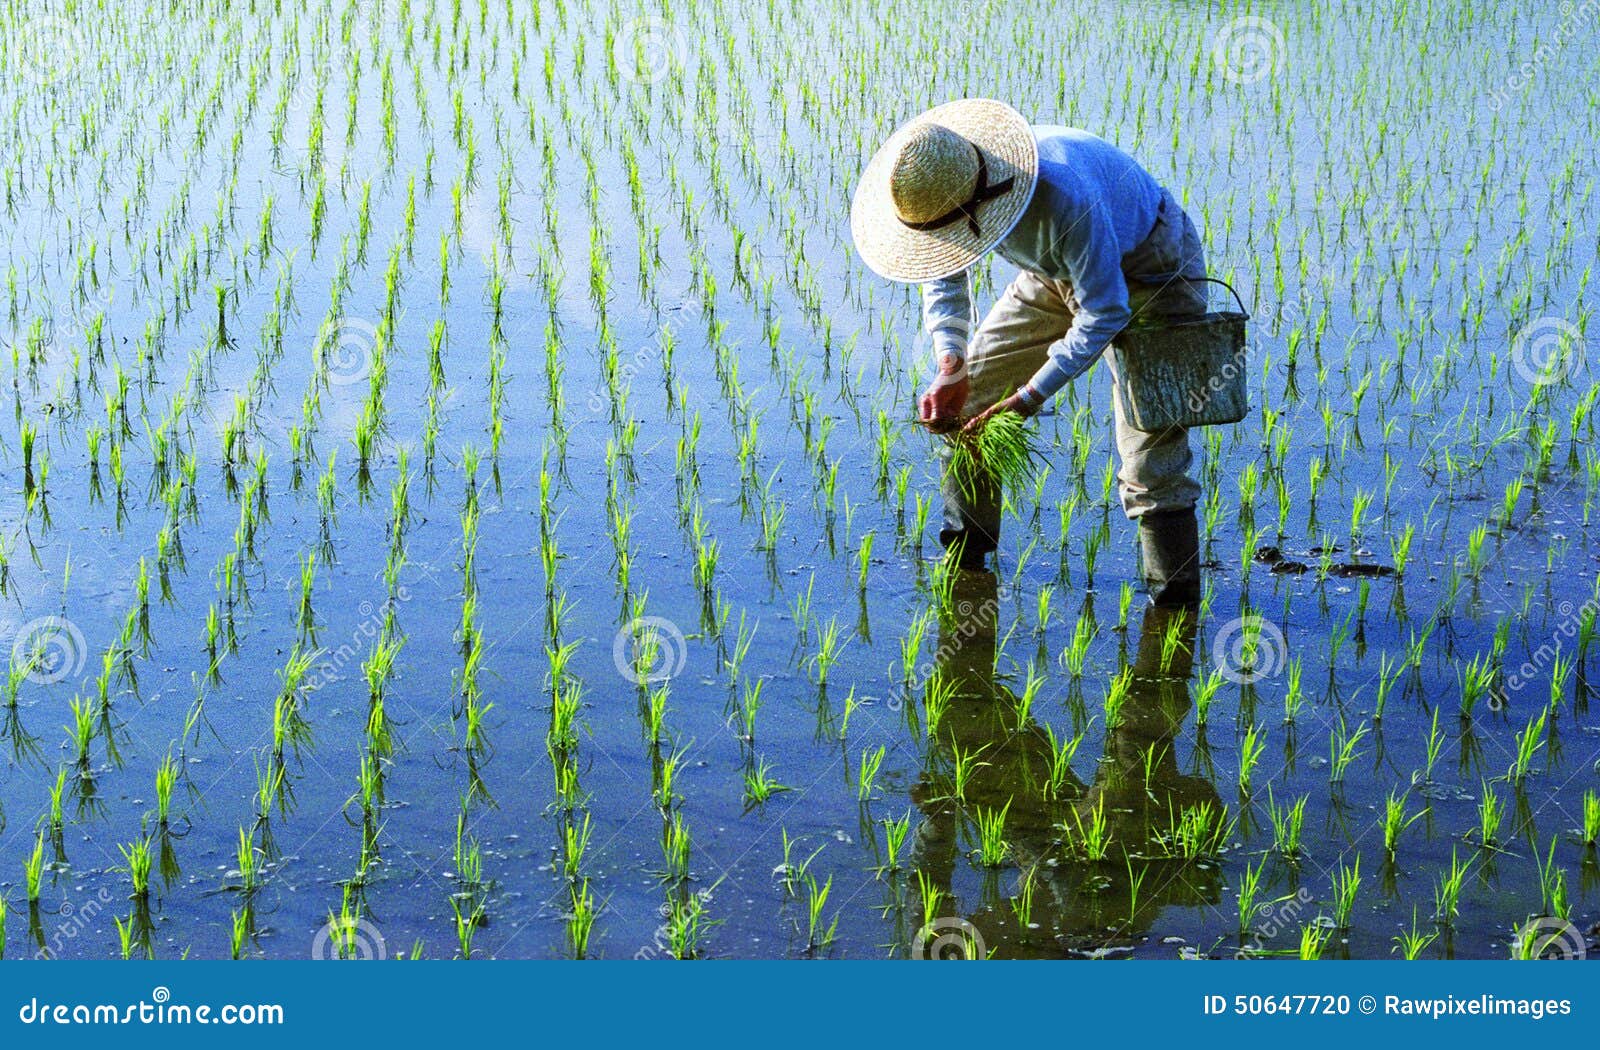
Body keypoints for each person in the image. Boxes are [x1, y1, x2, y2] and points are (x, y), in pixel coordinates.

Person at [851, 99, 1209, 604]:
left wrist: (1026, 400)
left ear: (981, 204)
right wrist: (951, 363)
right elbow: (944, 272)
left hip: (1154, 269)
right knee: (970, 403)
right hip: (1054, 271)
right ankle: (966, 567)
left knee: (1150, 459)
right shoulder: (945, 194)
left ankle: (1174, 607)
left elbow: (1105, 312)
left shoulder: (1063, 195)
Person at [906, 569, 1222, 957]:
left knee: (954, 720)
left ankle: (968, 559)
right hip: (1101, 864)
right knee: (1138, 735)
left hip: (1052, 860)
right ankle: (1172, 597)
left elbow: (928, 914)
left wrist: (938, 823)